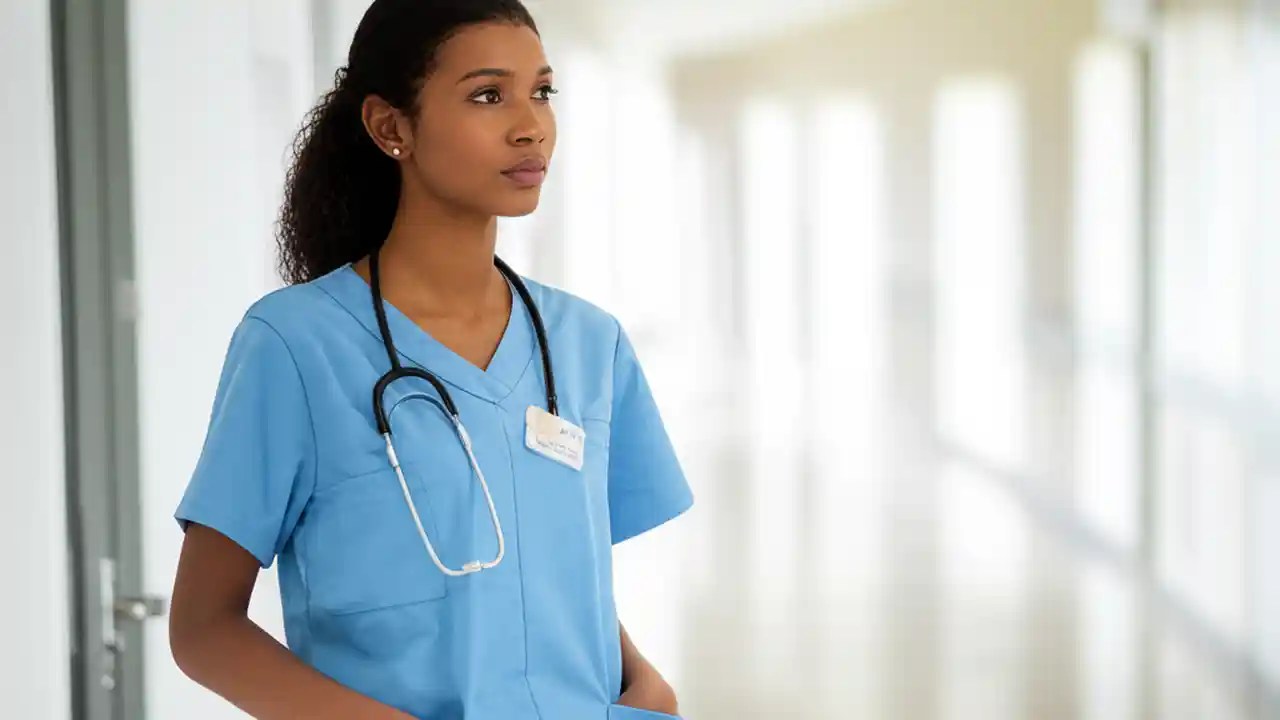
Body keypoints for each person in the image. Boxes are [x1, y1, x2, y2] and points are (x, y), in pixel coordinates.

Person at [167, 1, 694, 718]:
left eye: (542, 91)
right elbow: (203, 630)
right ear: (391, 128)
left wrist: (646, 684)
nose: (530, 124)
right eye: (487, 95)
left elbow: (543, 581)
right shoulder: (295, 345)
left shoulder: (587, 342)